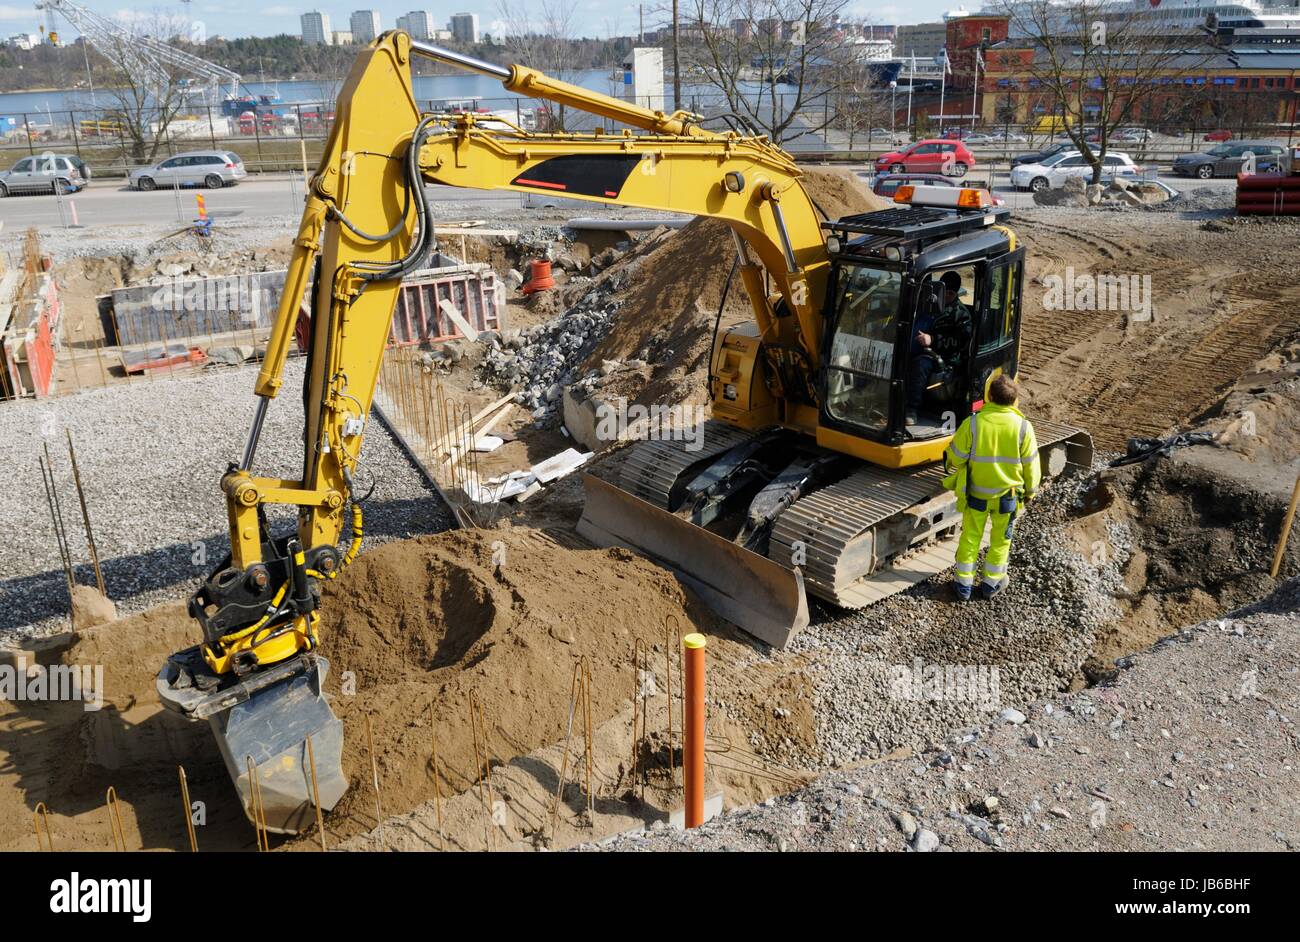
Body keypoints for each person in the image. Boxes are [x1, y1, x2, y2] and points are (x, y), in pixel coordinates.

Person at [942, 374, 1041, 600]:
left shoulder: (974, 424)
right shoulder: (1024, 428)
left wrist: (948, 461)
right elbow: (1031, 466)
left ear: (989, 396)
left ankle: (963, 585)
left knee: (970, 537)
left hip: (977, 495)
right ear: (1014, 400)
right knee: (1000, 541)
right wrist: (1030, 492)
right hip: (1008, 497)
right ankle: (991, 584)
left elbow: (956, 458)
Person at [906, 271, 973, 425]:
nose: (947, 296)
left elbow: (961, 341)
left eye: (950, 293)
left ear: (954, 293)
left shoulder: (961, 315)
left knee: (921, 364)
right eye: (944, 292)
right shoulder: (929, 303)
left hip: (943, 356)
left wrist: (933, 340)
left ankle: (911, 409)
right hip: (918, 348)